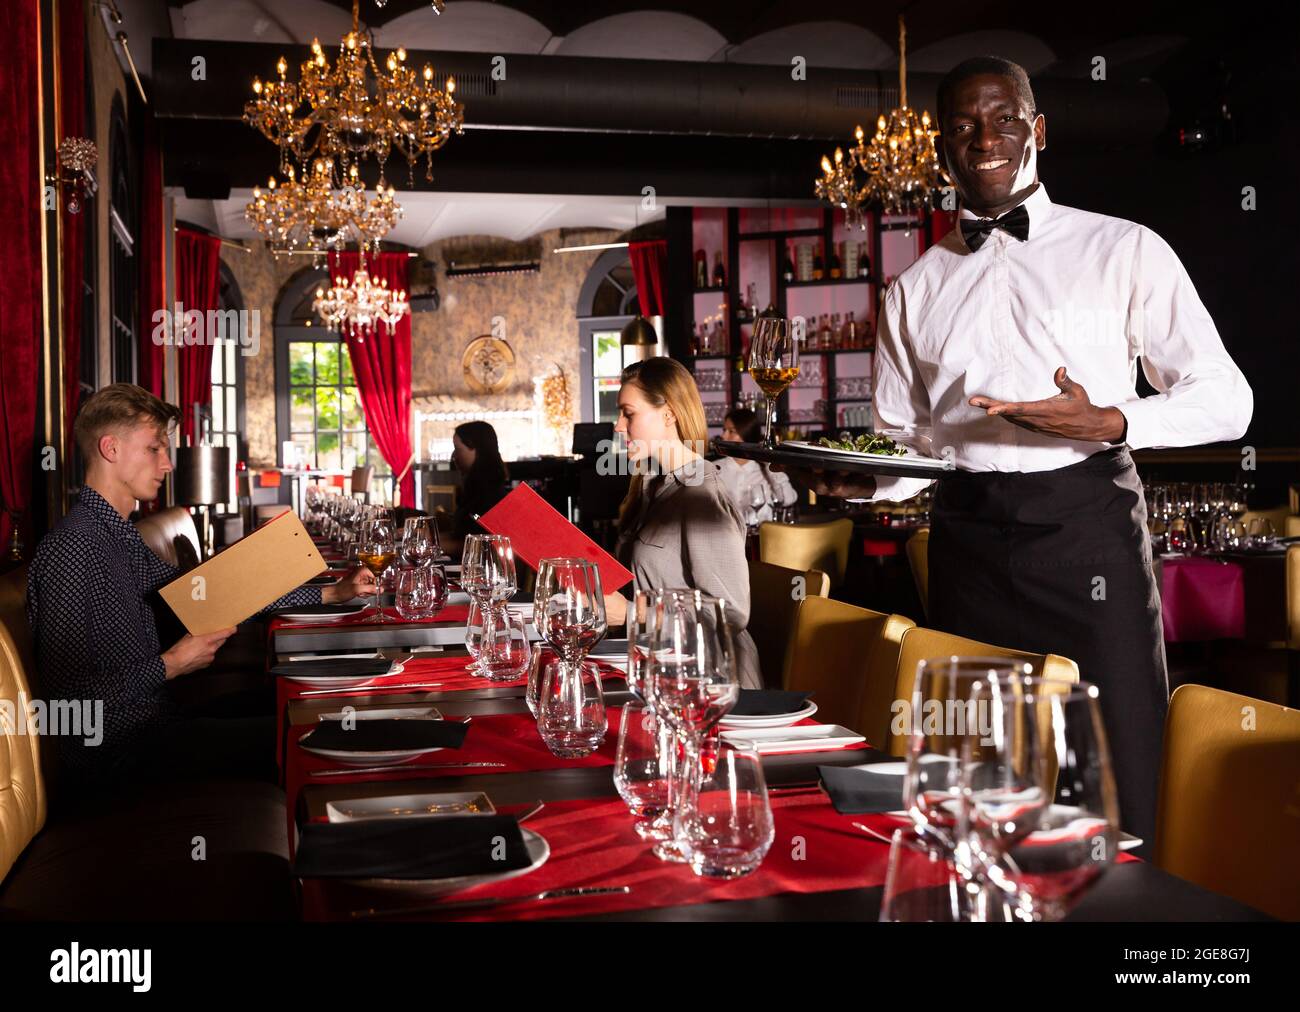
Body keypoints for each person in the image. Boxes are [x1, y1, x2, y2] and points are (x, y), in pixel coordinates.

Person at [778, 57, 1252, 852]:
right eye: (962, 126)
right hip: (964, 538)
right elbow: (908, 447)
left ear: (1037, 130)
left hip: (1088, 524)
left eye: (1003, 119)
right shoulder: (911, 289)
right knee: (980, 779)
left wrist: (1113, 421)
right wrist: (854, 475)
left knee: (1116, 771)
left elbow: (1229, 399)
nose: (984, 138)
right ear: (941, 149)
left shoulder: (1124, 249)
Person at [27, 384, 376, 787]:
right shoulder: (72, 548)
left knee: (304, 708)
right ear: (111, 449)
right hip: (118, 756)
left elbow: (210, 594)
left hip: (158, 721)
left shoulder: (118, 536)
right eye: (154, 449)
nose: (167, 464)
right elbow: (64, 704)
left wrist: (332, 594)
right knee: (307, 734)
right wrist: (171, 664)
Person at [606, 358, 762, 688]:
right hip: (665, 669)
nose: (618, 426)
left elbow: (731, 615)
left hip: (713, 686)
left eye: (628, 413)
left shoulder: (701, 494)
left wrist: (633, 614)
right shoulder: (654, 484)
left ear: (669, 413)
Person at [717, 408, 799, 524]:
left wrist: (768, 461)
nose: (723, 436)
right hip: (727, 538)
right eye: (724, 430)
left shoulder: (766, 469)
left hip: (762, 538)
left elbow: (788, 499)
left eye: (731, 431)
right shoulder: (715, 469)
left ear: (747, 434)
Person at [444, 420, 511, 556]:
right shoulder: (476, 487)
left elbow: (483, 546)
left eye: (457, 449)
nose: (454, 457)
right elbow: (461, 534)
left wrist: (432, 546)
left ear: (476, 449)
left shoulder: (490, 493)